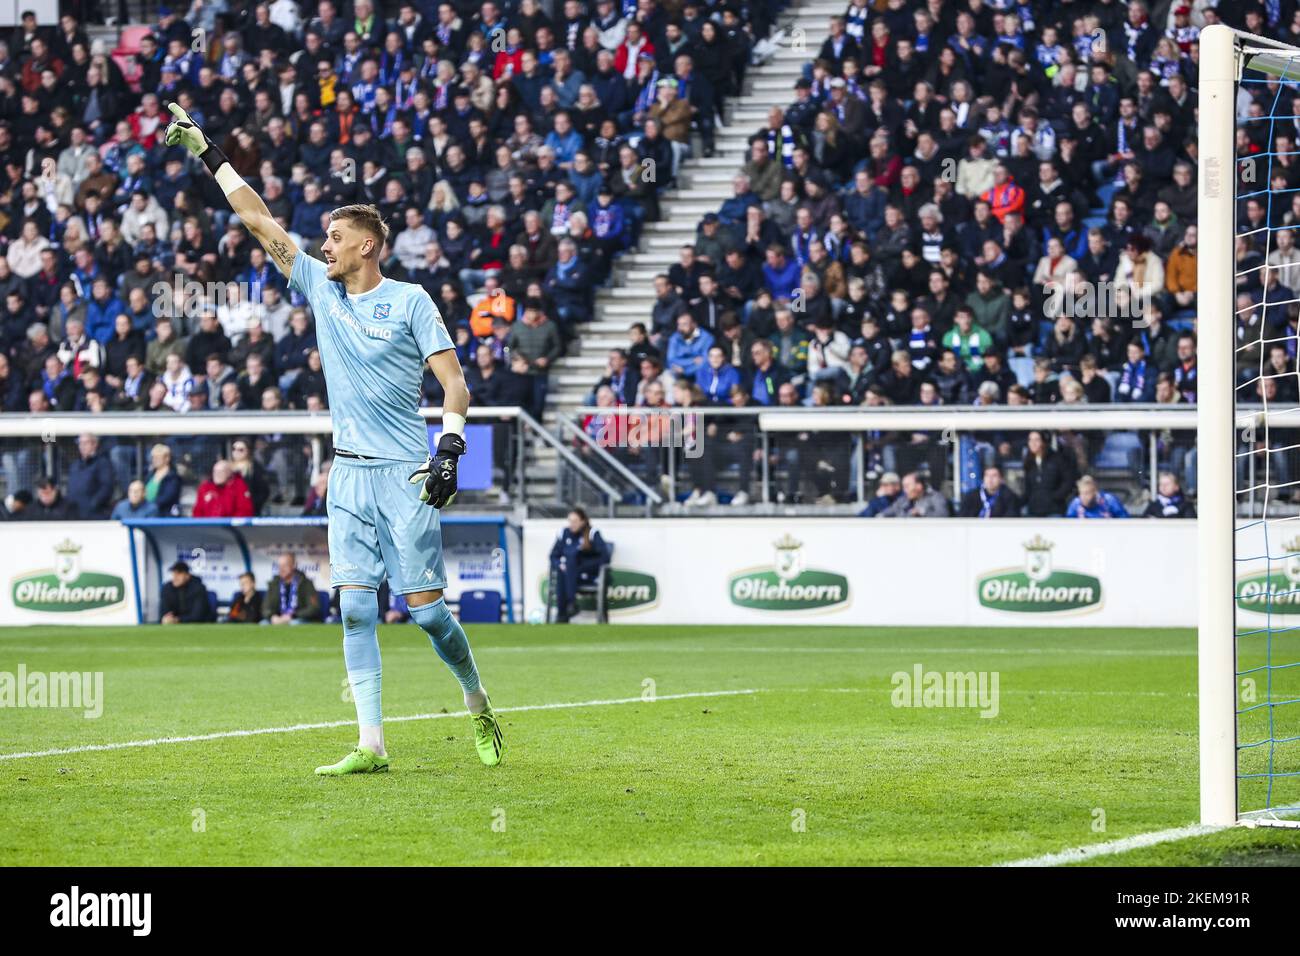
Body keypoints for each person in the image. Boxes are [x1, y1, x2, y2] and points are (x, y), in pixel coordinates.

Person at [164, 103, 502, 772]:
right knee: (354, 612)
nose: (325, 244)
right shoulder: (320, 289)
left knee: (430, 617)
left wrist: (450, 450)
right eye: (324, 235)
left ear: (368, 245)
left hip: (406, 472)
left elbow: (456, 388)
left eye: (337, 236)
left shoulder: (410, 301)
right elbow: (259, 222)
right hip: (345, 477)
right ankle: (371, 745)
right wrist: (210, 154)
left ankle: (477, 703)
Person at [548, 507, 611, 623]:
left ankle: (562, 614)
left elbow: (604, 557)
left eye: (575, 521)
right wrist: (560, 565)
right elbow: (553, 556)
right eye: (570, 521)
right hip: (569, 574)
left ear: (582, 521)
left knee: (570, 562)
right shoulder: (564, 533)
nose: (572, 524)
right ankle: (569, 606)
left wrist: (580, 565)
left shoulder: (592, 533)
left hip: (588, 574)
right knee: (564, 570)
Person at [262, 553, 324, 625]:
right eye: (279, 566)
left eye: (285, 565)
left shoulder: (305, 583)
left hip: (297, 619)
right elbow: (265, 608)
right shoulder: (274, 584)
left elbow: (313, 608)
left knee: (294, 623)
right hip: (278, 619)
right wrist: (272, 617)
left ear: (293, 565)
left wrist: (293, 615)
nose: (281, 569)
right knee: (264, 623)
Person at [66, 433, 115, 520]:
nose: (82, 446)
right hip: (74, 514)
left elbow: (107, 487)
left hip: (94, 515)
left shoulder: (103, 463)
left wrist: (93, 504)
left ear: (95, 444)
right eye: (80, 443)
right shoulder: (75, 465)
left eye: (86, 443)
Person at [161, 560, 216, 624]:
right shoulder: (167, 588)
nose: (175, 577)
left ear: (187, 575)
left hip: (201, 626)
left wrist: (177, 620)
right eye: (174, 573)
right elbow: (165, 612)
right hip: (177, 625)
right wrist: (168, 618)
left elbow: (197, 616)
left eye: (179, 574)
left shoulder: (199, 588)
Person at [958, 465, 1023, 518]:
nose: (990, 479)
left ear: (1001, 479)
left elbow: (1012, 517)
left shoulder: (1010, 497)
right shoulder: (971, 496)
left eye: (994, 476)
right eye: (987, 475)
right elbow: (963, 517)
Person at [880, 472, 950, 517]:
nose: (904, 490)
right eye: (904, 487)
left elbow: (943, 515)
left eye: (907, 486)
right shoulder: (903, 500)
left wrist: (921, 512)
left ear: (919, 486)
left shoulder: (935, 497)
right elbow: (888, 512)